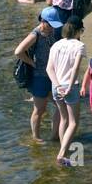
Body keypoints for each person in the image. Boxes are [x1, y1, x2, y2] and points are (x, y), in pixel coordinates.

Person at [14, 9, 62, 141]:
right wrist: (31, 63)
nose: (53, 27)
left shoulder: (51, 32)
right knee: (39, 110)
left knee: (60, 105)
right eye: (51, 24)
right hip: (39, 77)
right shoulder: (35, 34)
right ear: (43, 22)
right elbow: (18, 51)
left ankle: (54, 136)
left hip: (51, 76)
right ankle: (36, 137)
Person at [46, 19, 86, 165]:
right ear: (78, 31)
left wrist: (57, 86)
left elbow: (49, 69)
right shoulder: (79, 46)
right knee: (74, 122)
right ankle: (62, 154)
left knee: (64, 119)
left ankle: (64, 150)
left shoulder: (56, 45)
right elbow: (75, 69)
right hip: (70, 86)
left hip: (55, 86)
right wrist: (68, 87)